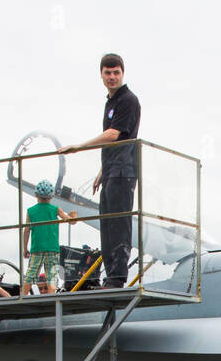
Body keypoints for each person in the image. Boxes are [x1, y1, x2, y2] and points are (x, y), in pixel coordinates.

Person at [63, 54, 140, 288]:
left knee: (118, 223)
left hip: (123, 171)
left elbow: (113, 135)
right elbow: (112, 143)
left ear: (123, 73)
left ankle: (117, 277)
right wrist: (101, 171)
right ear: (101, 75)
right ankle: (110, 275)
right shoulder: (110, 102)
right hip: (110, 170)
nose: (112, 77)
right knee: (106, 224)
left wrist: (79, 146)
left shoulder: (127, 99)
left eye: (116, 72)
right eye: (108, 73)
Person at [23, 179, 78, 294]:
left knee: (31, 273)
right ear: (52, 196)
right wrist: (74, 216)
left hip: (37, 248)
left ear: (36, 195)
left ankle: (22, 295)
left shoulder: (30, 211)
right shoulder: (55, 209)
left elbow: (27, 230)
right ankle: (52, 298)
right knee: (52, 275)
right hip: (52, 248)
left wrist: (25, 248)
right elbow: (70, 221)